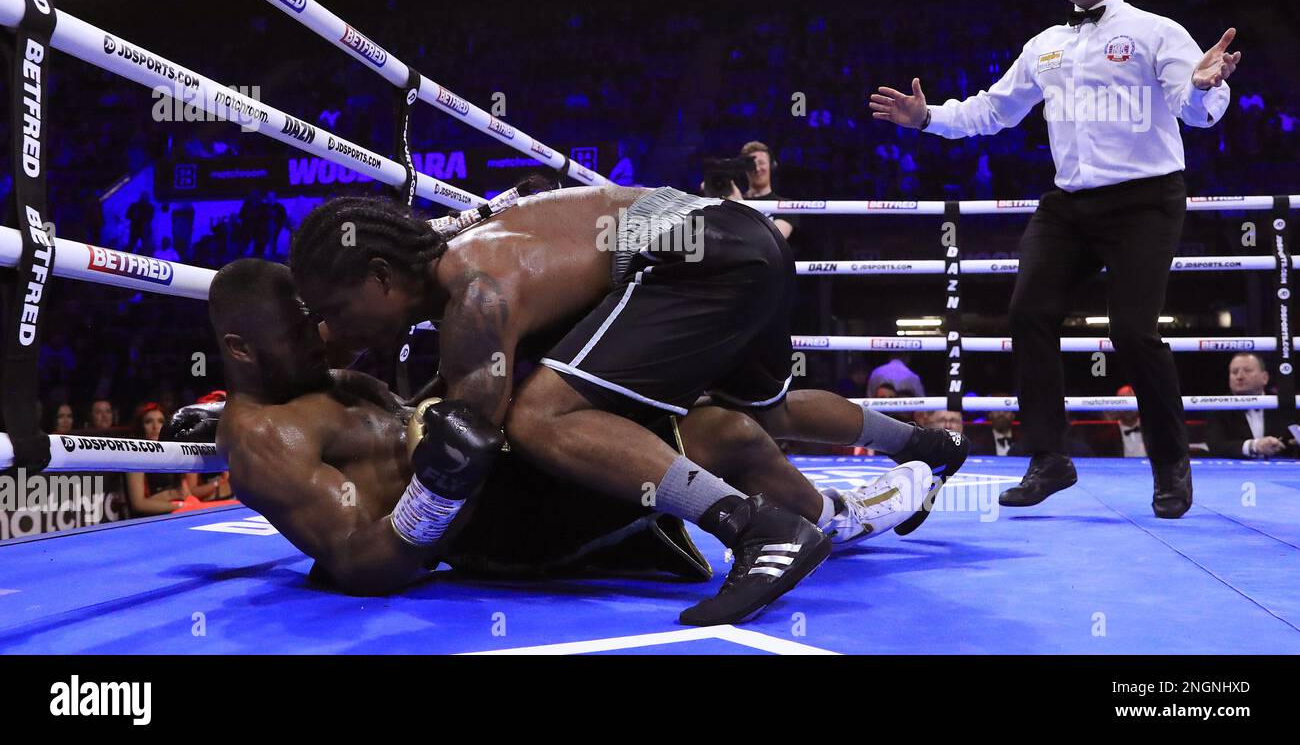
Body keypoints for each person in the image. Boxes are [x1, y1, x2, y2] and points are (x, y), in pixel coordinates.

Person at [290, 188, 968, 624]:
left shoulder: (475, 296)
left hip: (700, 261)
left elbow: (469, 443)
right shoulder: (468, 255)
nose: (334, 330)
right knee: (770, 408)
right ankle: (923, 447)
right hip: (739, 242)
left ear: (381, 278)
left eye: (335, 311)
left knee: (539, 418)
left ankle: (755, 529)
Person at [205, 259, 925, 602]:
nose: (320, 335)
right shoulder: (266, 440)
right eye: (299, 333)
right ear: (239, 349)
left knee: (708, 418)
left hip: (505, 478)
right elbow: (365, 565)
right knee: (723, 437)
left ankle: (829, 518)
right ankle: (826, 520)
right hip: (494, 528)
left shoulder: (323, 384)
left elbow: (411, 427)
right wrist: (439, 489)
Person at [871, 0, 1240, 519]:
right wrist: (926, 119)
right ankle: (1049, 457)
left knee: (1134, 330)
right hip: (1070, 202)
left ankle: (1170, 462)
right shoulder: (1044, 44)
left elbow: (1196, 110)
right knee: (1027, 313)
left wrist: (1202, 87)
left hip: (1145, 200)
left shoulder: (1156, 31)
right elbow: (992, 110)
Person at [1196, 353, 1295, 459]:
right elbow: (1216, 445)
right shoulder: (1218, 406)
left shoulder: (1282, 404)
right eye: (1234, 372)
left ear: (1265, 378)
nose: (1239, 377)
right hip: (1235, 473)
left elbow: (1291, 441)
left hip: (1283, 472)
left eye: (1247, 371)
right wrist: (1253, 446)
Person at [124, 402, 190, 517]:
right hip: (149, 520)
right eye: (148, 422)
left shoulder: (172, 453)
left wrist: (165, 497)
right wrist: (177, 504)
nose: (155, 426)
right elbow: (139, 504)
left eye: (160, 421)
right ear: (141, 426)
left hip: (176, 515)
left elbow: (185, 494)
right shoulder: (135, 456)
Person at [739, 141, 794, 240]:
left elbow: (773, 240)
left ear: (771, 166)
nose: (757, 168)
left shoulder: (785, 205)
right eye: (751, 164)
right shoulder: (733, 202)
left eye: (761, 163)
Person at [1104, 385, 1147, 458]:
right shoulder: (1107, 436)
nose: (1128, 408)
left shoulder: (1152, 431)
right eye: (1124, 402)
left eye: (1131, 401)